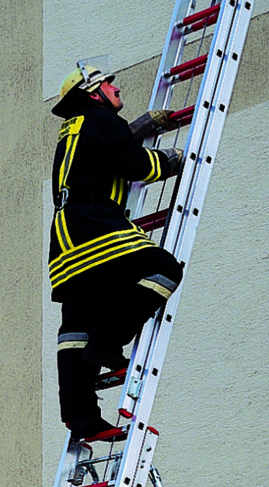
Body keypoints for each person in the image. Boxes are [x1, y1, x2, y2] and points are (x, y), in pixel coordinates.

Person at [49, 58, 184, 440]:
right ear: (94, 94)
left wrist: (140, 125)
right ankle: (107, 345)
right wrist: (170, 160)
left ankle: (82, 418)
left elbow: (103, 152)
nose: (116, 86)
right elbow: (133, 163)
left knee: (76, 325)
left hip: (66, 237)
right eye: (109, 83)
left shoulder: (76, 127)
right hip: (94, 223)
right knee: (164, 270)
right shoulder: (98, 119)